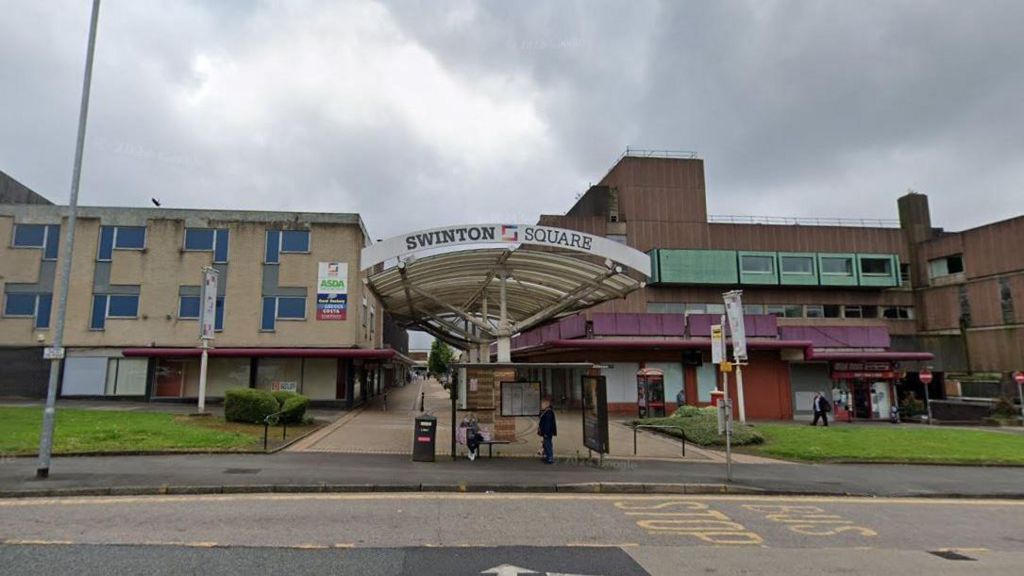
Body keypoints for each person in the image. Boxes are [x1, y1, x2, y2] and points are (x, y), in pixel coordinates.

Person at [537, 398, 557, 464]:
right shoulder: (546, 411)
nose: (541, 406)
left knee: (548, 444)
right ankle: (547, 457)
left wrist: (546, 432)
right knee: (546, 444)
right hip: (546, 432)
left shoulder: (549, 412)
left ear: (546, 404)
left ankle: (550, 458)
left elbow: (548, 424)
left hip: (547, 432)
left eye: (542, 404)